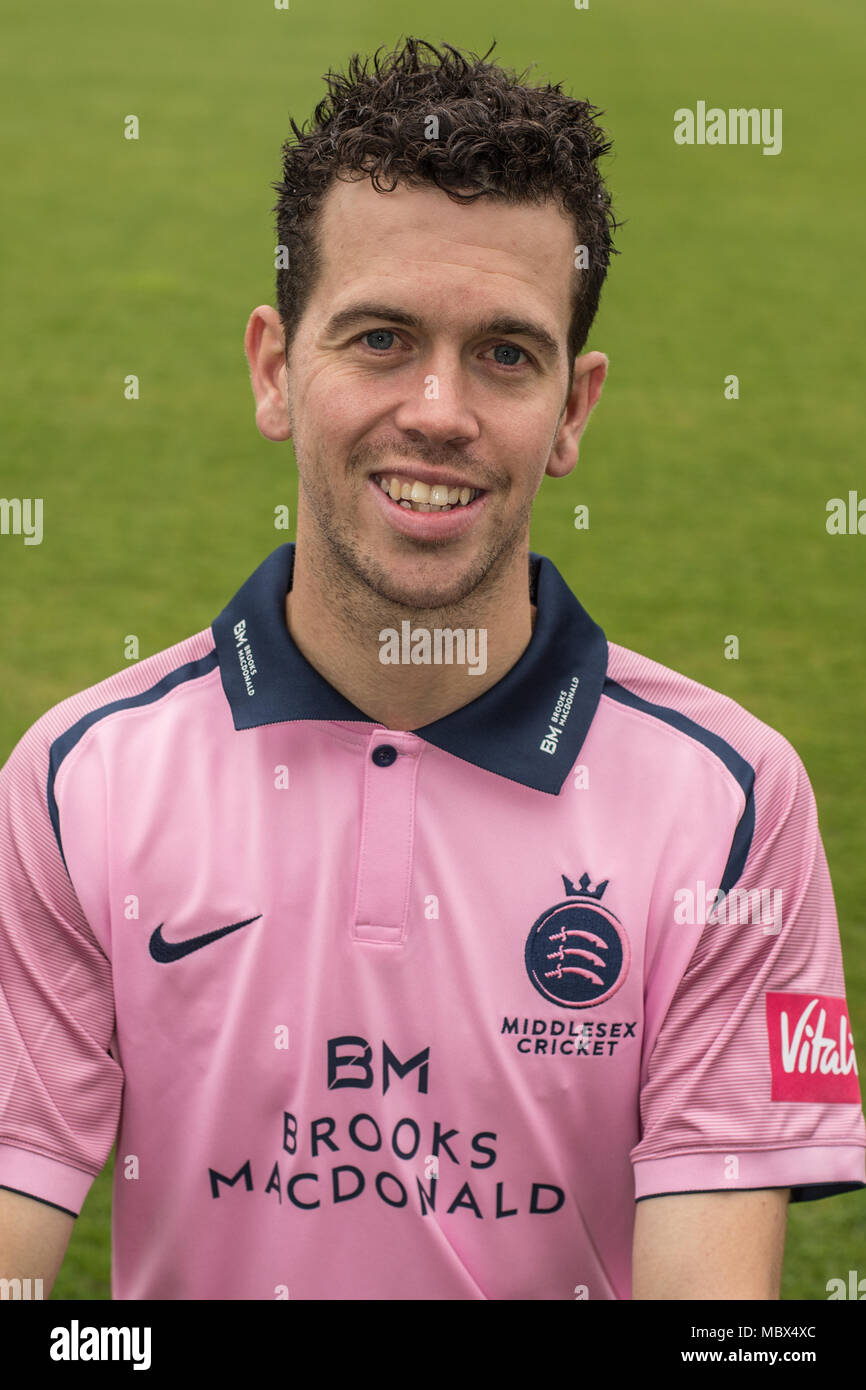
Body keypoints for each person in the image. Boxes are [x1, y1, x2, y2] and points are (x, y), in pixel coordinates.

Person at [0, 37, 863, 1302]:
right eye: (381, 338)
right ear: (272, 369)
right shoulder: (72, 781)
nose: (440, 410)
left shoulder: (738, 805)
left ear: (573, 408)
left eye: (507, 355)